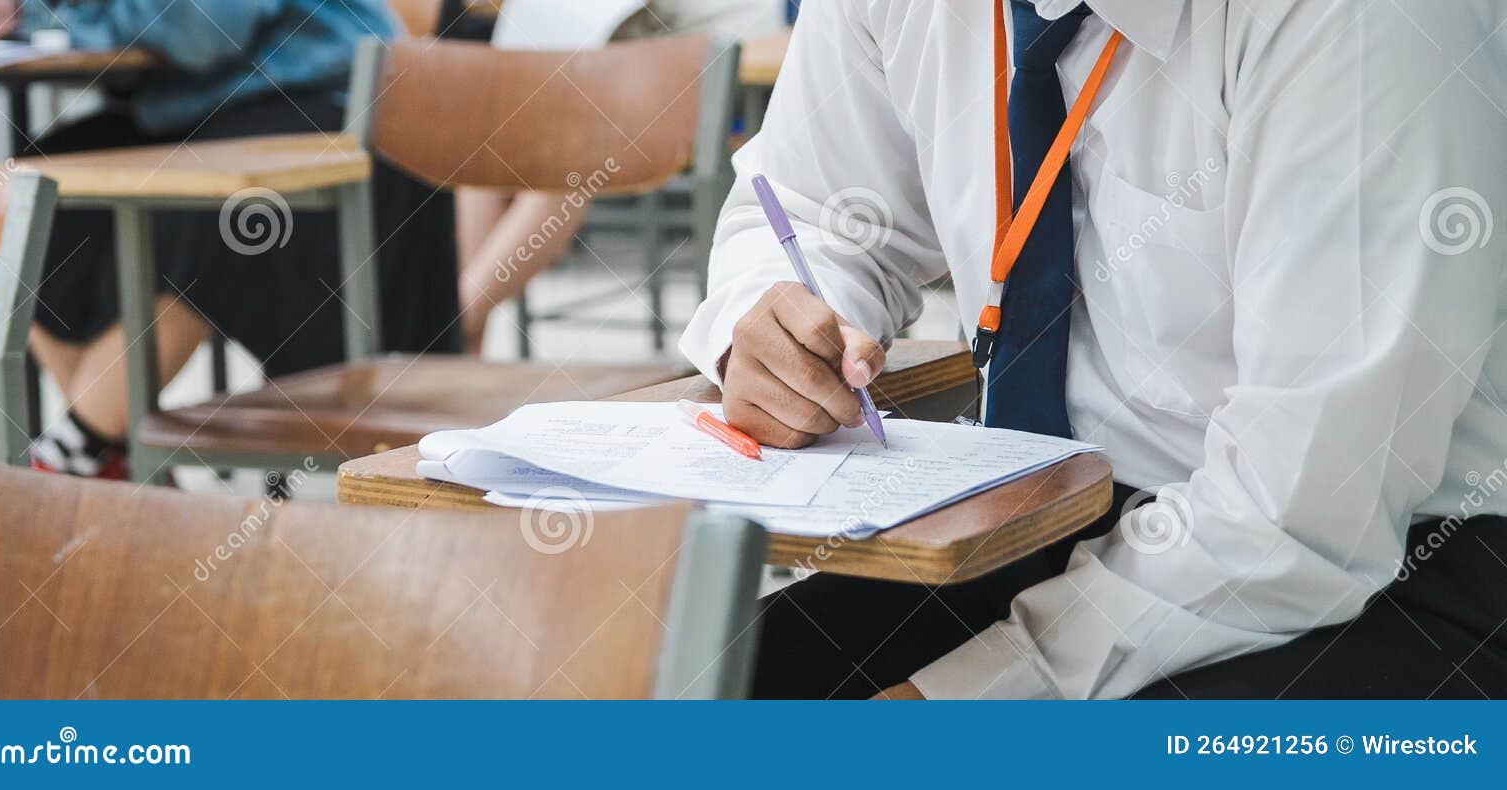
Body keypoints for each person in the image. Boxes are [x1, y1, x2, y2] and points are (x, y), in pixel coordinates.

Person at [682, 0, 1507, 698]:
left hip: (1392, 562)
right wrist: (781, 325)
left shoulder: (1360, 22)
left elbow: (1308, 510)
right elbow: (815, 209)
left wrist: (959, 700)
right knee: (701, 688)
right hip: (1039, 513)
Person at [0, 0, 463, 478]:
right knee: (20, 195)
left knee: (204, 216)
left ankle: (86, 447)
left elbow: (199, 30)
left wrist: (81, 16)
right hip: (208, 111)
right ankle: (109, 450)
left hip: (339, 113)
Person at [454, 0, 785, 354]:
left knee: (562, 171)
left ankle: (456, 323)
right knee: (486, 152)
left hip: (681, 84)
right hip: (594, 73)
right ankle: (463, 334)